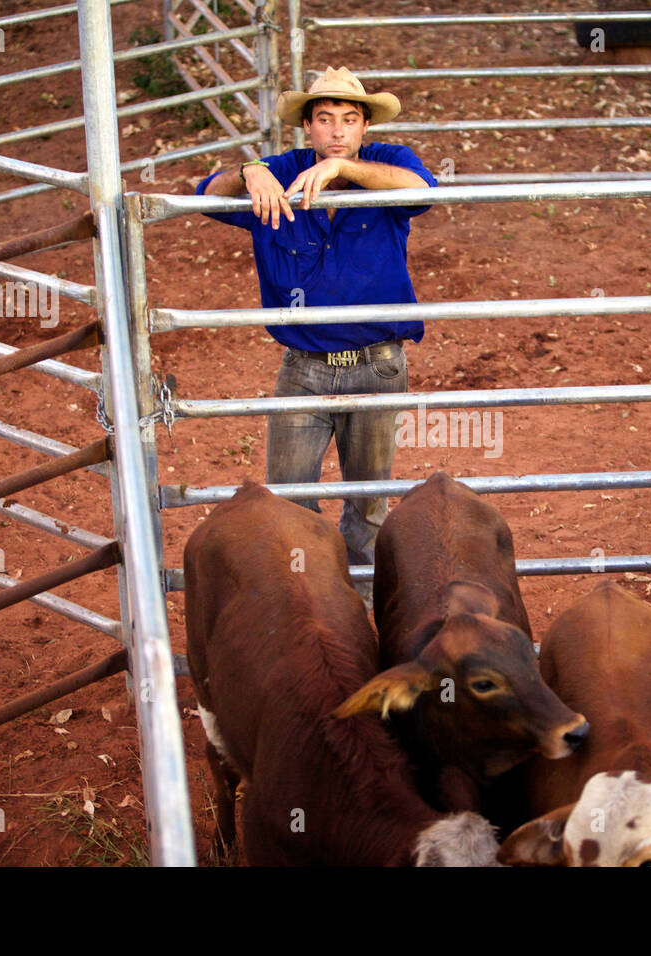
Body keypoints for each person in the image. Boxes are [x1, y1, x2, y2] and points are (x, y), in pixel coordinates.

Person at [196, 67, 436, 597]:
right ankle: (309, 605)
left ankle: (365, 609)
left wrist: (345, 170)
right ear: (307, 126)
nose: (336, 131)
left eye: (349, 120)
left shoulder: (391, 163)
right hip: (303, 369)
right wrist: (250, 170)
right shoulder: (281, 171)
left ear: (364, 128)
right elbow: (209, 193)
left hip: (378, 362)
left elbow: (421, 190)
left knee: (368, 502)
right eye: (324, 119)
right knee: (286, 498)